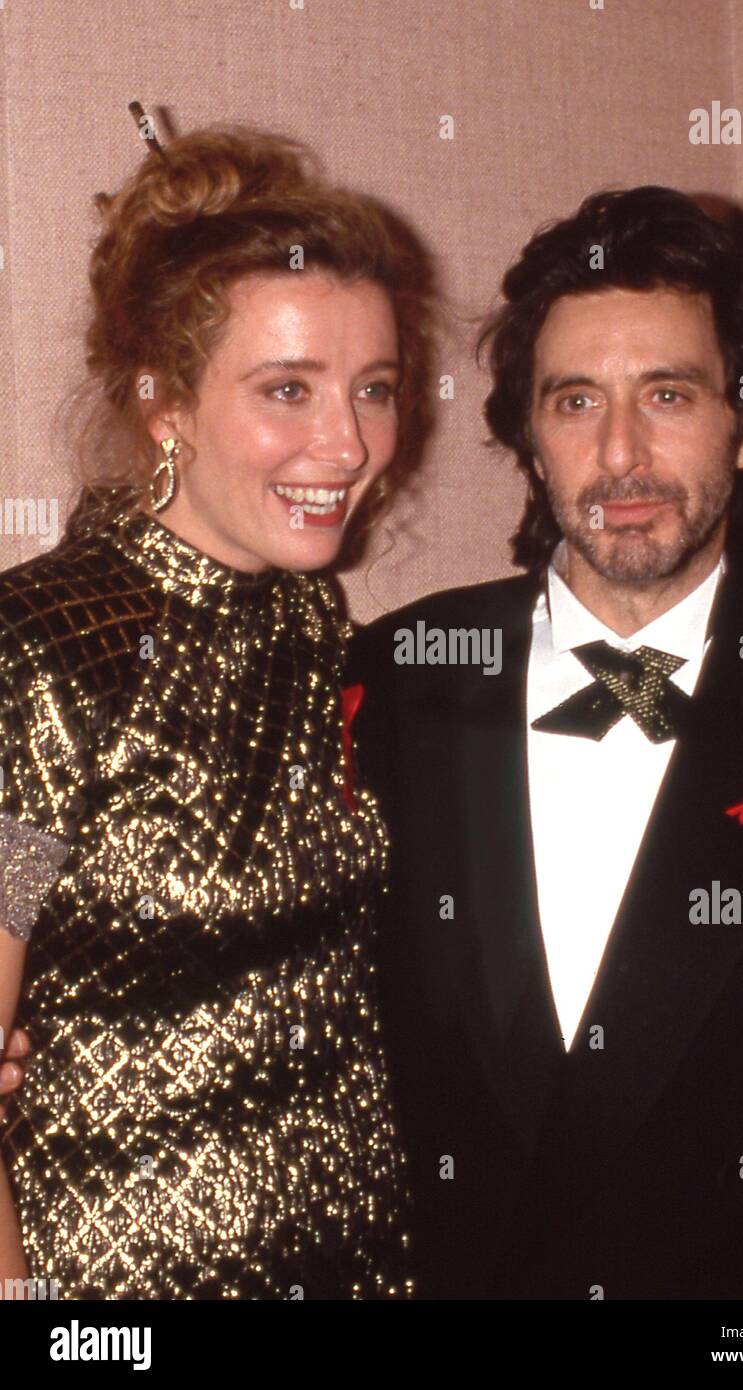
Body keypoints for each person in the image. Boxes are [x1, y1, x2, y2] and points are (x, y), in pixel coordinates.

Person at [349, 187, 743, 1299]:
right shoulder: (385, 682)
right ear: (527, 435)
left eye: (667, 394)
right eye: (574, 400)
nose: (620, 451)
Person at [0, 118, 433, 1299]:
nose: (346, 445)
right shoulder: (42, 653)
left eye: (374, 389)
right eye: (286, 388)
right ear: (164, 401)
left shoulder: (312, 627)